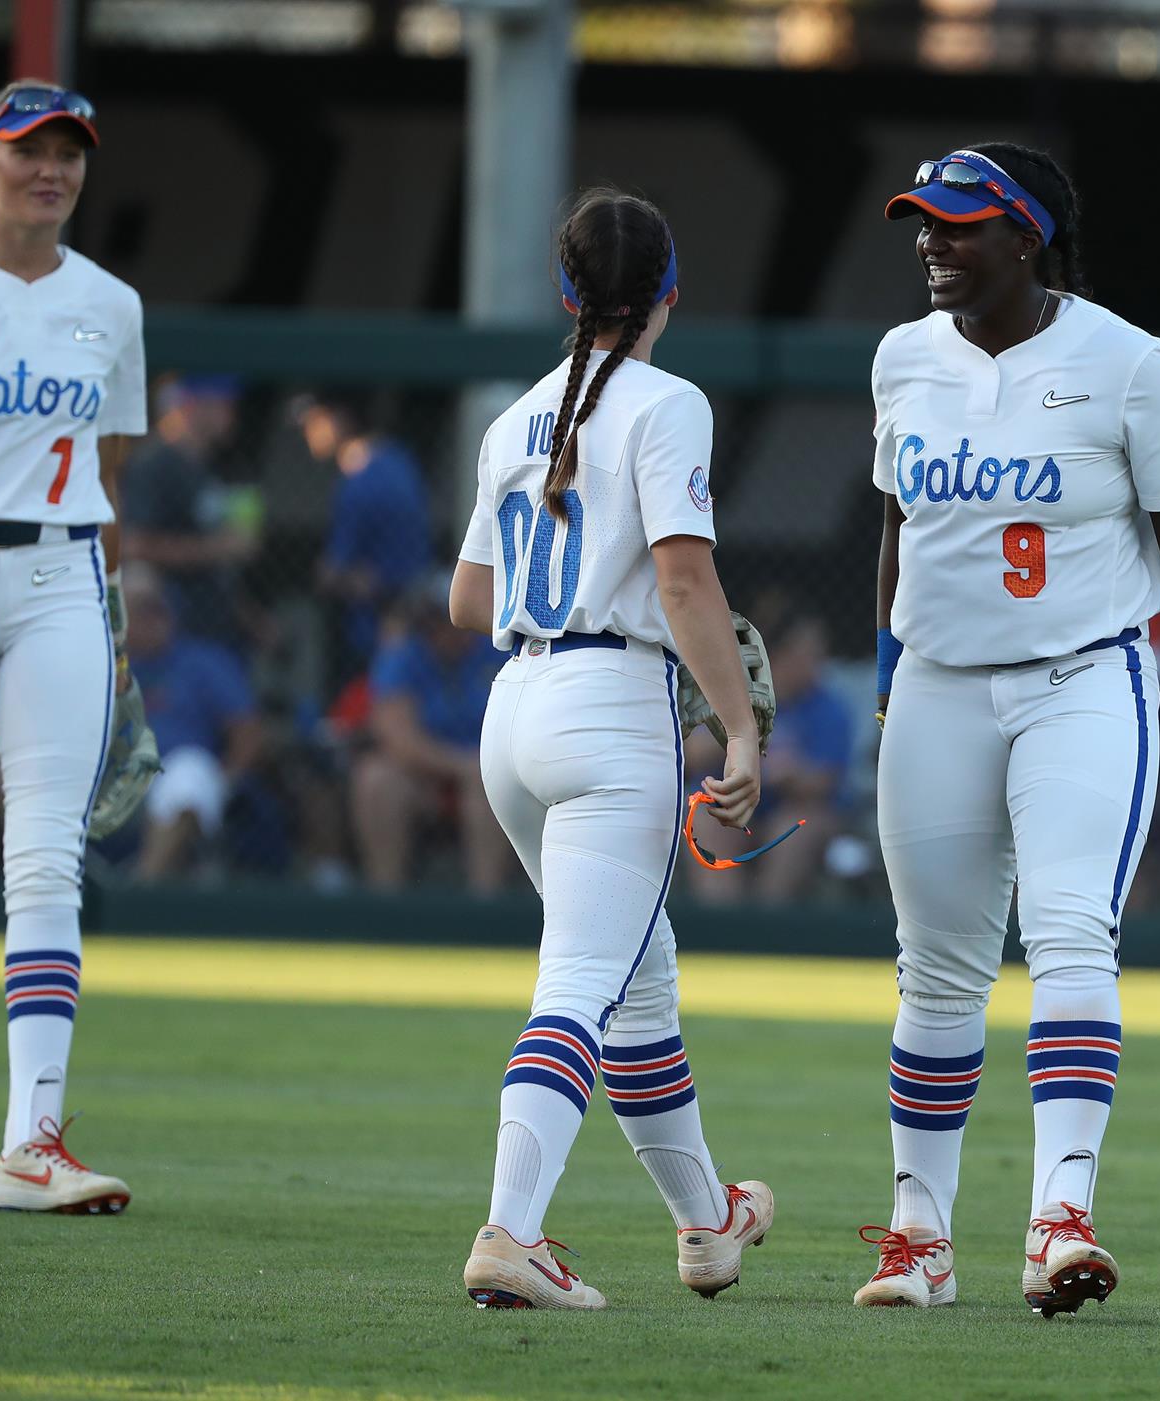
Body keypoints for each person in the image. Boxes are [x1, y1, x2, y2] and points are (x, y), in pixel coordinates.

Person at [857, 145, 1160, 1313]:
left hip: (1081, 683)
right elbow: (894, 538)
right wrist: (883, 689)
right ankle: (918, 1241)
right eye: (922, 222)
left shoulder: (1126, 362)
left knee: (1070, 930)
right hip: (934, 686)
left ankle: (1058, 1220)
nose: (931, 241)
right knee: (934, 975)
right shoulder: (898, 359)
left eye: (959, 225)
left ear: (1025, 238)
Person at [447, 187, 774, 1310]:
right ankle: (510, 1233)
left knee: (635, 980)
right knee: (586, 979)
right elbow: (683, 582)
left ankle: (706, 1225)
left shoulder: (513, 416)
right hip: (609, 705)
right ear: (668, 294)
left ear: (564, 293)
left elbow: (466, 598)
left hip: (515, 711)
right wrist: (736, 723)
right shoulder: (667, 402)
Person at [0, 81, 145, 1213]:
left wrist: (108, 617)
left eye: (70, 153)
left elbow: (112, 469)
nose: (54, 170)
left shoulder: (109, 303)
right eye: (31, 150)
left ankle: (33, 1142)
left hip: (62, 575)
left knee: (45, 859)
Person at [681, 611, 854, 904]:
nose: (817, 662)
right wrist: (734, 739)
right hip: (730, 805)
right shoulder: (733, 692)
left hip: (792, 807)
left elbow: (824, 784)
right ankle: (724, 932)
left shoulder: (828, 707)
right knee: (706, 822)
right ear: (778, 654)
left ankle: (767, 930)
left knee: (793, 830)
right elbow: (690, 758)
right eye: (807, 653)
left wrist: (788, 773)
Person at [351, 575, 508, 894]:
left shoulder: (498, 651)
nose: (441, 627)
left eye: (447, 616)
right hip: (425, 776)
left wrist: (480, 769)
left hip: (488, 774)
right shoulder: (404, 657)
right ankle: (386, 903)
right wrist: (462, 766)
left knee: (491, 784)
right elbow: (399, 741)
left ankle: (486, 909)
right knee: (376, 779)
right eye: (432, 618)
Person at [125, 567, 264, 879]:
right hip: (110, 775)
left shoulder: (202, 661)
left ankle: (138, 895)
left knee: (189, 776)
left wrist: (226, 780)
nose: (154, 616)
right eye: (141, 607)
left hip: (176, 771)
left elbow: (248, 732)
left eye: (158, 606)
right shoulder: (99, 663)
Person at [120, 373, 254, 645]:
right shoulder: (152, 465)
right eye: (222, 404)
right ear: (192, 405)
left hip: (217, 623)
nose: (231, 415)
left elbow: (227, 562)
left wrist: (256, 622)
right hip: (169, 627)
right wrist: (218, 548)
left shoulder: (218, 464)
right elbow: (134, 545)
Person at [304, 391, 430, 666]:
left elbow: (332, 573)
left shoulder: (360, 479)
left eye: (315, 420)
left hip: (377, 625)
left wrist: (333, 577)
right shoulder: (400, 460)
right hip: (407, 612)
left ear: (340, 419)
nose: (308, 430)